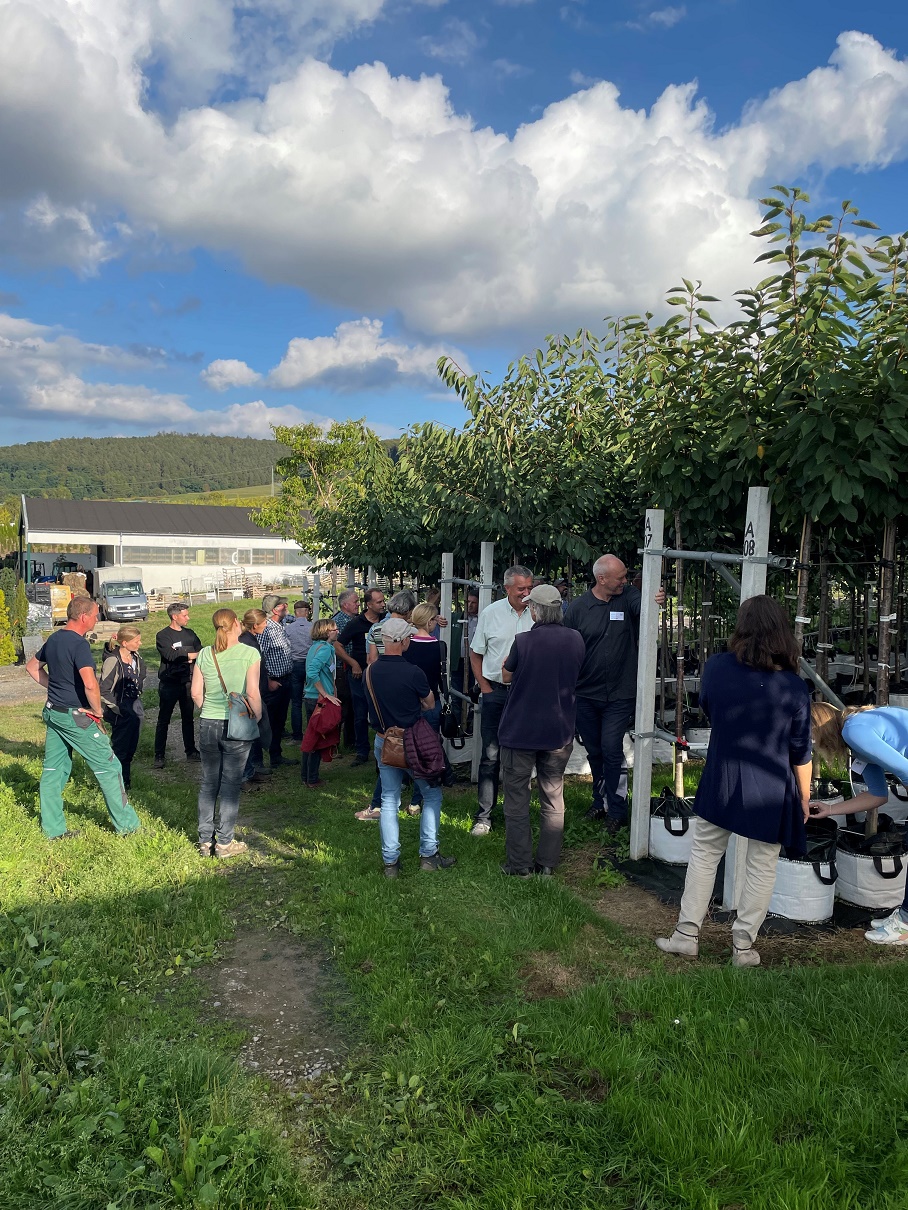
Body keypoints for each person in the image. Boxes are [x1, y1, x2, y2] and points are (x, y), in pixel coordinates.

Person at [655, 595, 813, 968]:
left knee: (705, 854)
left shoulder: (717, 667)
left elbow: (709, 709)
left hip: (723, 775)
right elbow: (800, 750)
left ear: (742, 626)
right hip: (772, 786)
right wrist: (804, 797)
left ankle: (686, 935)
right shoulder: (793, 687)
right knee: (761, 864)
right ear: (782, 632)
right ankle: (743, 947)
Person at [26, 596, 141, 840]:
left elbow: (32, 667)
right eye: (96, 614)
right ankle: (128, 827)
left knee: (54, 769)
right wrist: (98, 711)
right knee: (109, 767)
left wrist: (54, 689)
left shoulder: (54, 638)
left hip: (54, 711)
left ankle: (53, 830)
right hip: (75, 716)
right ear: (83, 617)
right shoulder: (79, 645)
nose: (98, 618)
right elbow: (91, 684)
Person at [565, 555, 662, 832]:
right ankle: (600, 801)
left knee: (611, 748)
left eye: (625, 575)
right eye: (619, 577)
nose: (624, 580)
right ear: (601, 579)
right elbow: (568, 649)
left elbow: (643, 608)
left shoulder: (628, 595)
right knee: (595, 750)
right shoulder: (579, 608)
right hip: (585, 693)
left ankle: (618, 809)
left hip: (620, 693)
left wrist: (653, 601)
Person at [498, 585, 586, 877]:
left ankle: (519, 865)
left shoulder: (523, 641)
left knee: (517, 798)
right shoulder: (576, 639)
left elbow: (506, 674)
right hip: (558, 731)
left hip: (520, 729)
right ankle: (547, 863)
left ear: (535, 610)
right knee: (553, 796)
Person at [809, 703, 908, 945]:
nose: (808, 741)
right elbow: (877, 795)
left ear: (819, 726)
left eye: (807, 732)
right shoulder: (858, 730)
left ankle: (904, 924)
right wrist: (830, 809)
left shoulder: (854, 732)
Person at [365, 617, 456, 878]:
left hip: (384, 740)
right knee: (431, 795)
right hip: (413, 741)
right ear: (404, 641)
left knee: (389, 799)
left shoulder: (371, 671)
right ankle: (429, 855)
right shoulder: (413, 672)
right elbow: (428, 704)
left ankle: (390, 863)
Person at [469, 565, 535, 836]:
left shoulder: (538, 612)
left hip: (527, 694)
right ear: (506, 588)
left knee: (524, 754)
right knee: (490, 755)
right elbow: (476, 653)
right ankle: (484, 816)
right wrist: (485, 687)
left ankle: (517, 813)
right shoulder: (490, 613)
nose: (527, 593)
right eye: (521, 589)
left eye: (530, 588)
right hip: (495, 691)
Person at [191, 608, 262, 858]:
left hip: (209, 721)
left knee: (209, 782)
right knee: (231, 784)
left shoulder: (204, 654)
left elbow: (196, 693)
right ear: (235, 623)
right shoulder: (249, 653)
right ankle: (224, 843)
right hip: (237, 723)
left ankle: (204, 840)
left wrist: (209, 710)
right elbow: (252, 691)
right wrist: (258, 715)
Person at [355, 589, 417, 821]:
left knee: (387, 742)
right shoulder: (410, 631)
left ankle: (381, 803)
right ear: (409, 610)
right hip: (405, 687)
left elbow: (371, 660)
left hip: (379, 685)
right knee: (408, 747)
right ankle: (418, 797)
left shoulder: (375, 629)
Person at [337, 586, 388, 766]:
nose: (383, 604)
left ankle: (387, 749)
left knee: (384, 712)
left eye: (383, 600)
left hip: (382, 675)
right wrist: (353, 663)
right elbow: (337, 645)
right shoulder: (356, 623)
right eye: (379, 602)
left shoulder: (387, 620)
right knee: (360, 712)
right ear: (369, 605)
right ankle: (361, 751)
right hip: (360, 675)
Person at [153, 601, 201, 768]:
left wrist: (184, 654)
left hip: (187, 681)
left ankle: (191, 751)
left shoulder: (190, 634)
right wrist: (188, 655)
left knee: (188, 718)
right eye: (184, 615)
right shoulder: (163, 635)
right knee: (163, 720)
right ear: (174, 616)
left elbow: (200, 652)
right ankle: (159, 755)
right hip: (169, 683)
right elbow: (170, 656)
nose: (188, 618)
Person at [99, 624, 147, 790]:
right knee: (120, 748)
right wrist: (117, 709)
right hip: (119, 707)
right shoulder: (113, 660)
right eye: (136, 641)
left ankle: (126, 782)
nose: (140, 643)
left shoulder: (136, 658)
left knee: (131, 747)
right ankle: (117, 784)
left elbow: (141, 677)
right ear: (125, 643)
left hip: (135, 704)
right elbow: (103, 689)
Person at [302, 618, 341, 787]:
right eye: (334, 629)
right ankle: (312, 778)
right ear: (326, 632)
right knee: (318, 738)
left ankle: (306, 775)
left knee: (310, 737)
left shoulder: (315, 647)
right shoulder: (325, 650)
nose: (337, 631)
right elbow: (312, 671)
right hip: (319, 700)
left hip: (311, 697)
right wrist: (325, 694)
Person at [258, 593, 293, 767]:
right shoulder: (266, 629)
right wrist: (268, 679)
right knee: (270, 721)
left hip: (286, 679)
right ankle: (266, 757)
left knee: (280, 720)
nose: (287, 607)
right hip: (274, 682)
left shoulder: (280, 625)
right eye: (284, 605)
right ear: (275, 610)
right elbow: (258, 656)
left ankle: (276, 755)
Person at [239, 609, 273, 785]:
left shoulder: (250, 639)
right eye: (264, 622)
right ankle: (250, 770)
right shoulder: (246, 642)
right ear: (255, 625)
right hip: (251, 692)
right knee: (253, 731)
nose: (266, 625)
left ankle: (255, 766)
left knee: (257, 731)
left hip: (257, 690)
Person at [332, 588, 364, 753]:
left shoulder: (353, 619)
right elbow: (338, 647)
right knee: (343, 707)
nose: (358, 604)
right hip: (342, 669)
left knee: (351, 706)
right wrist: (352, 663)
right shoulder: (342, 622)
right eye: (355, 602)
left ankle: (350, 741)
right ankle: (335, 744)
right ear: (345, 605)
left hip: (349, 668)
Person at [286, 600, 314, 740]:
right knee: (312, 698)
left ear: (295, 612)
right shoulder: (313, 627)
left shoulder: (288, 629)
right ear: (307, 612)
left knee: (296, 701)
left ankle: (297, 735)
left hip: (295, 664)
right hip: (310, 664)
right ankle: (312, 732)